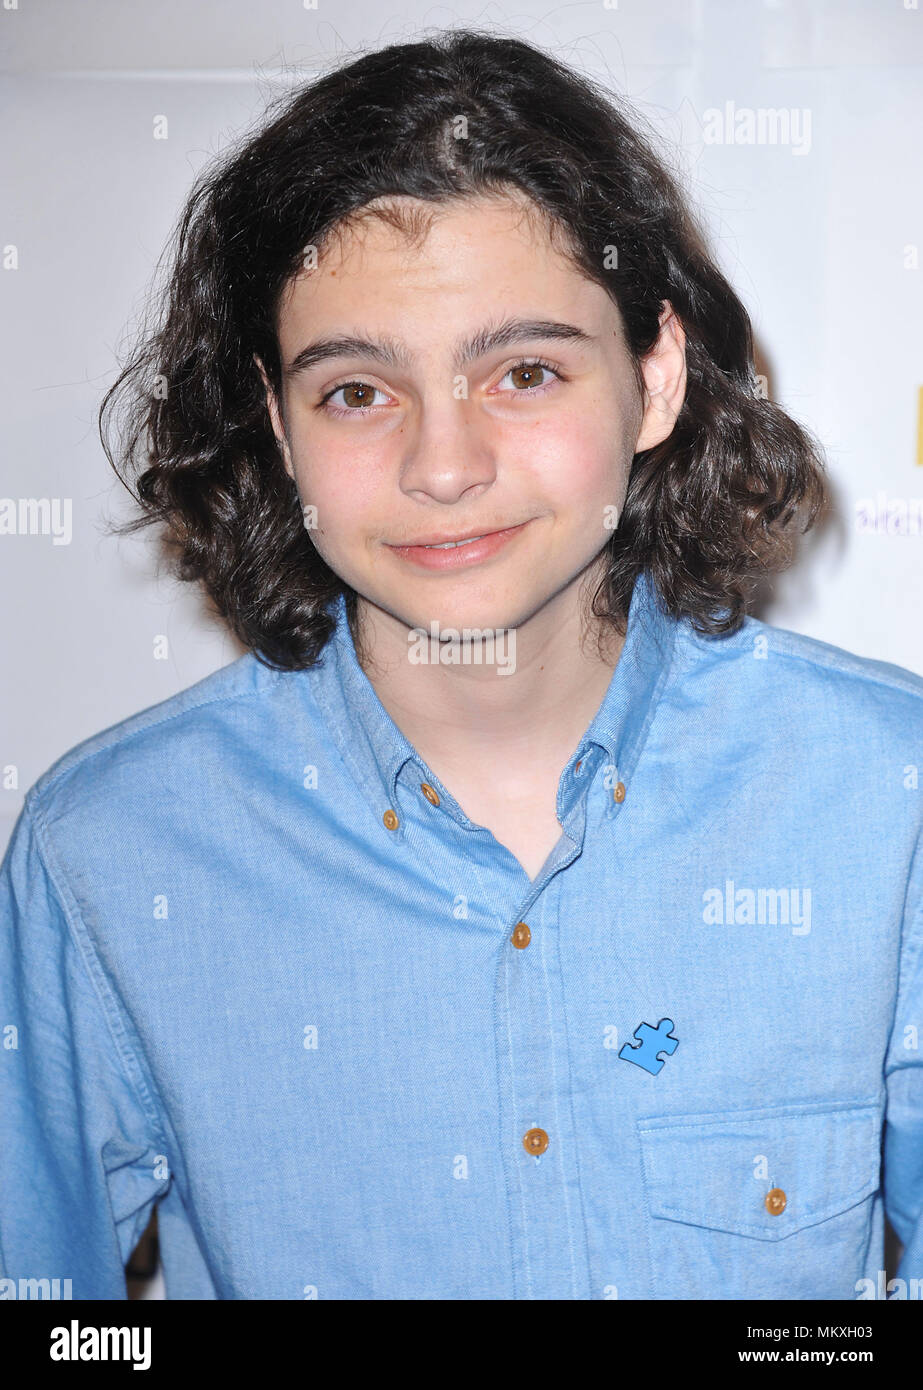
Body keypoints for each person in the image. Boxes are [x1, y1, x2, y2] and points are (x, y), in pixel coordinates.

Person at [1, 29, 920, 1302]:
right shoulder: (105, 852)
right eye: (356, 393)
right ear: (275, 426)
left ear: (653, 378)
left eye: (525, 372)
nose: (443, 465)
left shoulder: (888, 799)